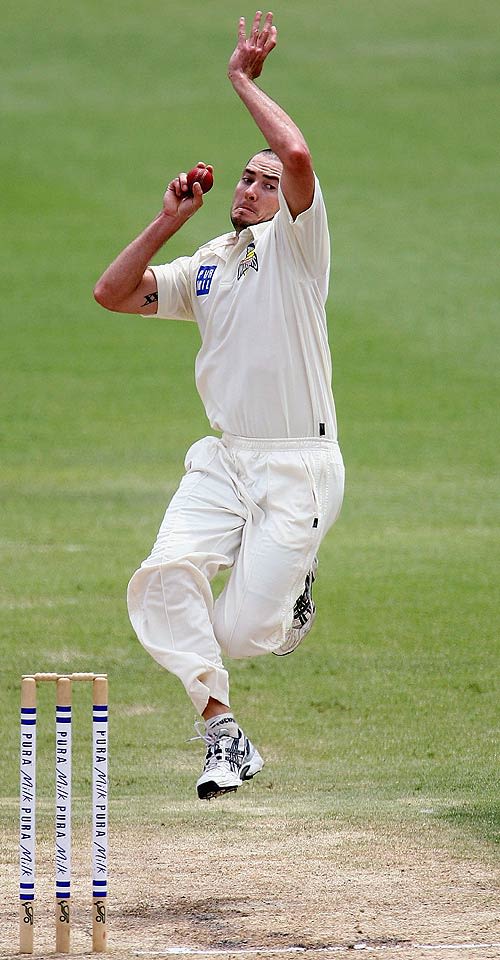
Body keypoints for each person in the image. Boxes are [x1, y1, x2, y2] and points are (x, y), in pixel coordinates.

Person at [94, 11, 345, 800]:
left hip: (298, 467)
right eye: (247, 175)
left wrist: (239, 77)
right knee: (162, 578)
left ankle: (292, 599)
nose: (253, 186)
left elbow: (298, 153)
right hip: (225, 458)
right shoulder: (209, 262)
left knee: (240, 633)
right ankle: (223, 734)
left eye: (267, 183)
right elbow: (113, 294)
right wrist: (168, 221)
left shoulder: (298, 251)